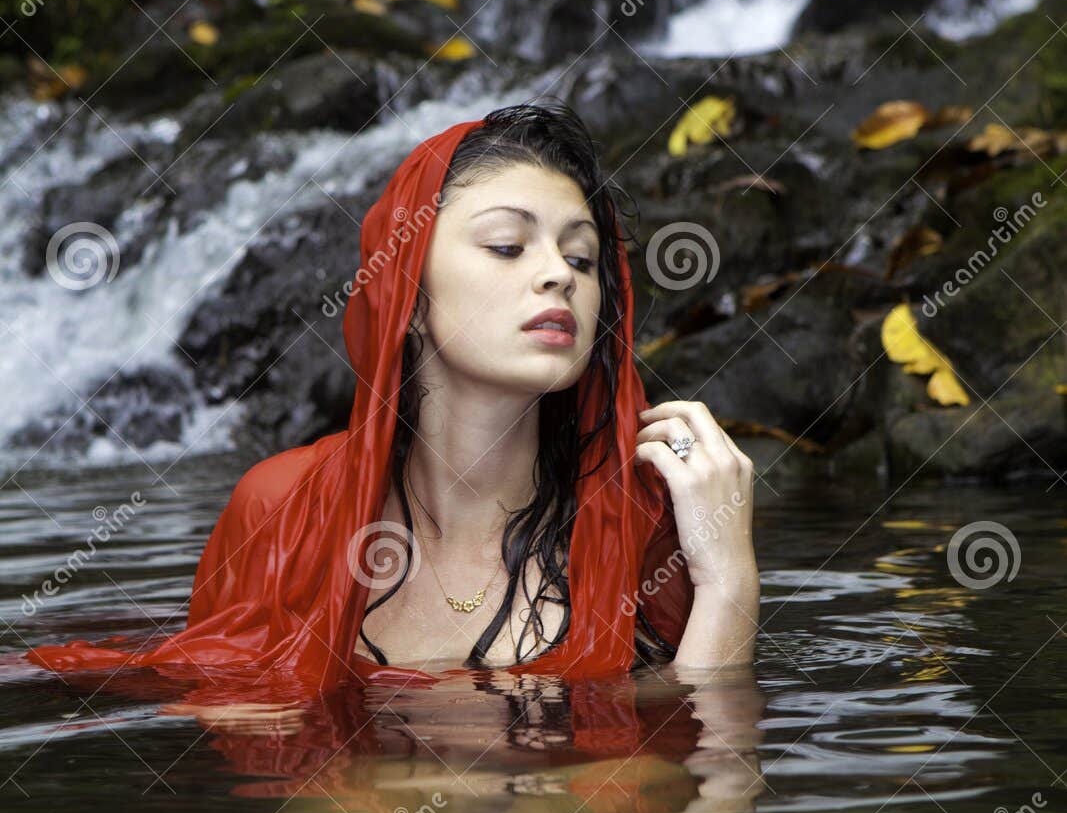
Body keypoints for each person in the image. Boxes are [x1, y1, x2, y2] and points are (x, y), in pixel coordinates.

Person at [23, 102, 759, 695]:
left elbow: (697, 773)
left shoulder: (644, 519)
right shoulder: (279, 511)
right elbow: (257, 780)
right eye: (507, 246)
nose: (558, 276)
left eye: (580, 257)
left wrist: (727, 576)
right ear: (405, 293)